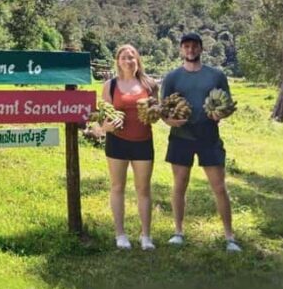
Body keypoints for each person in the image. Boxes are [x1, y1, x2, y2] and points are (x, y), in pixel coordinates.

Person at [161, 32, 241, 253]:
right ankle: (178, 232)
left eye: (194, 46)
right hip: (181, 136)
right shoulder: (172, 78)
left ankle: (230, 237)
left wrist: (220, 115)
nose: (190, 50)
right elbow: (163, 110)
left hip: (209, 135)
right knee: (179, 185)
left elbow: (226, 105)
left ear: (201, 49)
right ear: (181, 50)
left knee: (219, 187)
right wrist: (170, 121)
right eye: (186, 46)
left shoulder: (215, 75)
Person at [101, 44, 157, 251]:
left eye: (132, 57)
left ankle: (146, 236)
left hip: (143, 142)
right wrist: (104, 126)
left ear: (138, 60)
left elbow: (156, 114)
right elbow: (104, 113)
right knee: (117, 187)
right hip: (117, 141)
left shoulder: (149, 84)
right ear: (118, 61)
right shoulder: (110, 86)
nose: (128, 61)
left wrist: (155, 113)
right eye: (124, 57)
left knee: (143, 189)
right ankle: (120, 234)